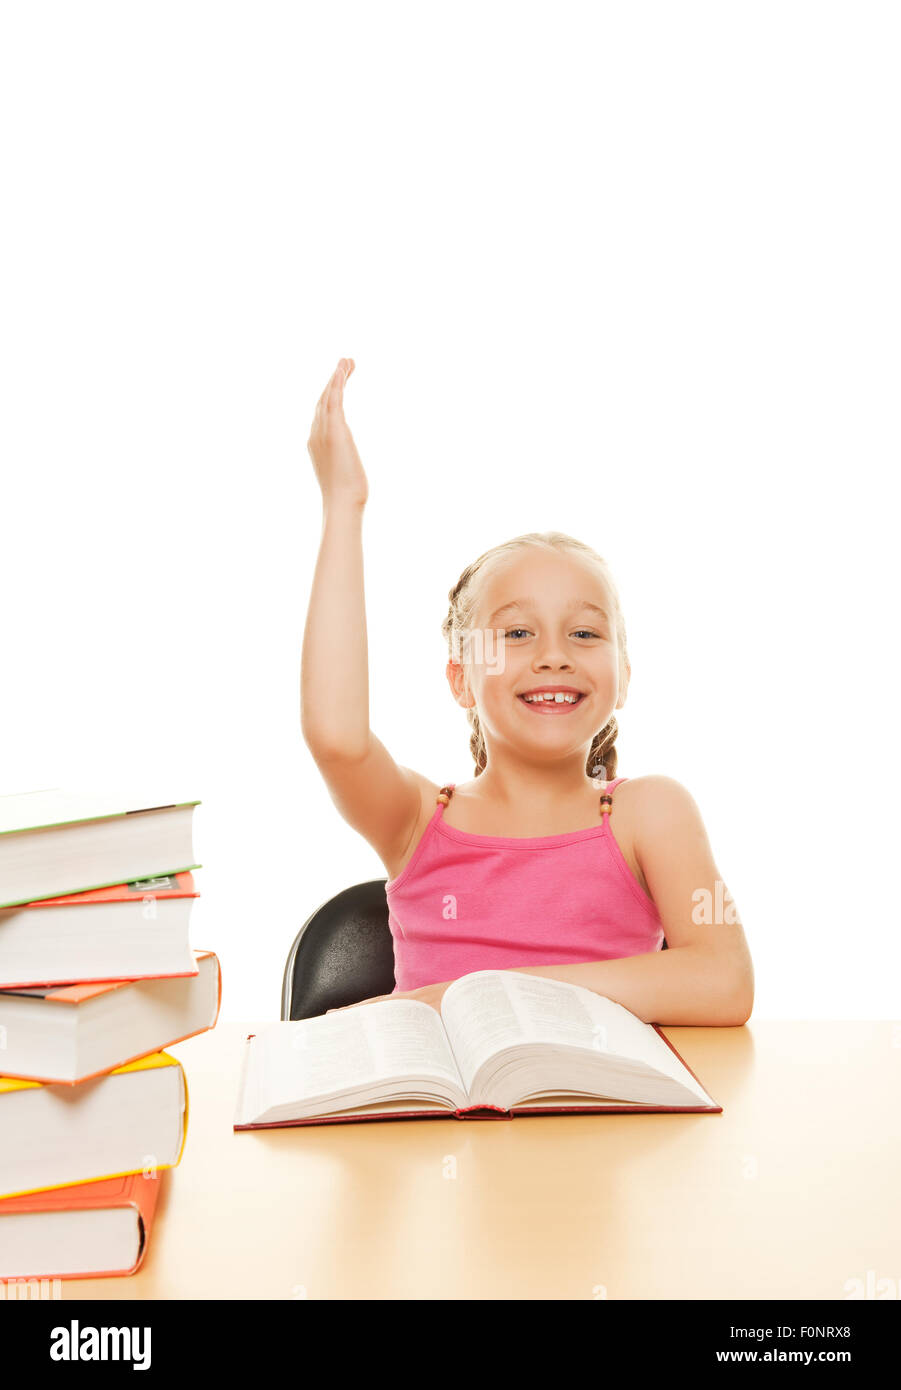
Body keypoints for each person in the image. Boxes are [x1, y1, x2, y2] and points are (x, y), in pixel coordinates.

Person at [302, 358, 753, 1026]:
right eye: (516, 633)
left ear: (624, 676)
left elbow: (722, 981)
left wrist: (476, 993)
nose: (552, 655)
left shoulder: (649, 814)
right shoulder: (417, 817)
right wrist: (344, 506)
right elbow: (336, 738)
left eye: (584, 633)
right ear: (460, 678)